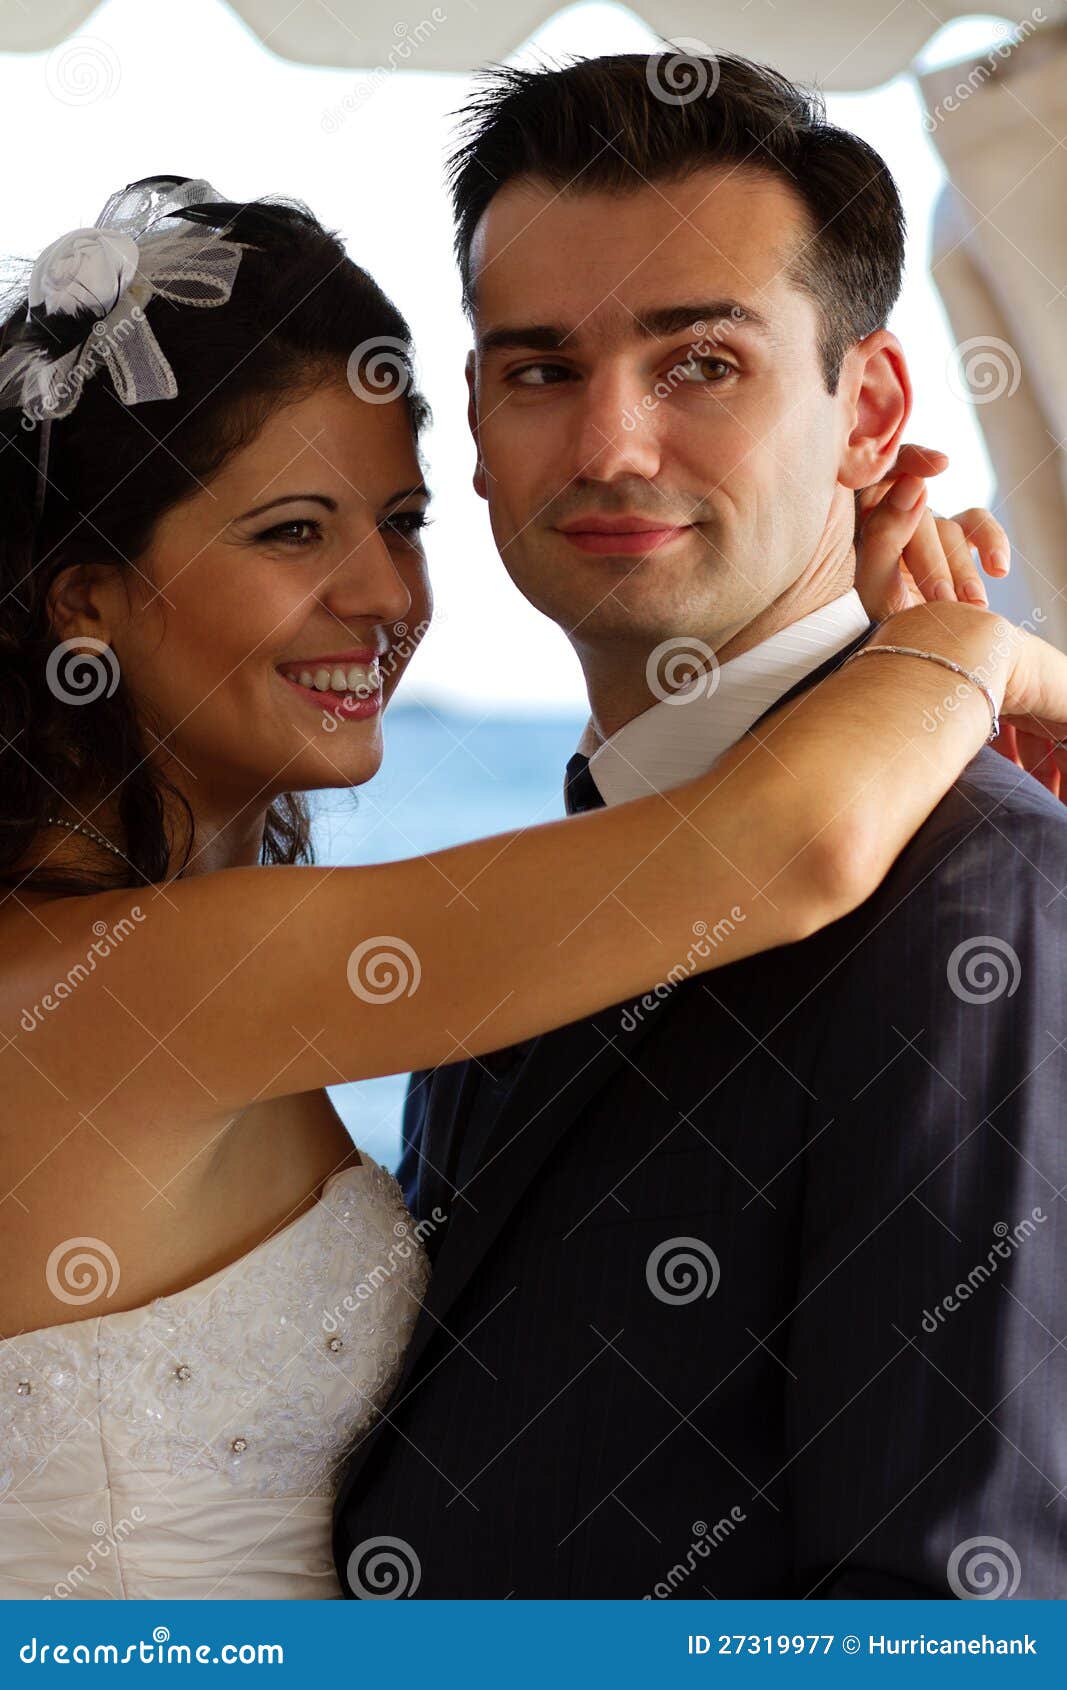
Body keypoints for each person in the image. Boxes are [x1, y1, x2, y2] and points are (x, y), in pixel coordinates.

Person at [0, 176, 1053, 1601]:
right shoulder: (136, 978)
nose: (385, 596)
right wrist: (969, 651)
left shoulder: (232, 963)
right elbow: (784, 843)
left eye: (403, 519)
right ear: (85, 599)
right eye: (293, 531)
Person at [332, 53, 1067, 1600]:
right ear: (473, 420)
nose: (608, 445)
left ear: (869, 411)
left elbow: (940, 1616)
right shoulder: (531, 876)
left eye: (701, 365)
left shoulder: (976, 890)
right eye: (538, 368)